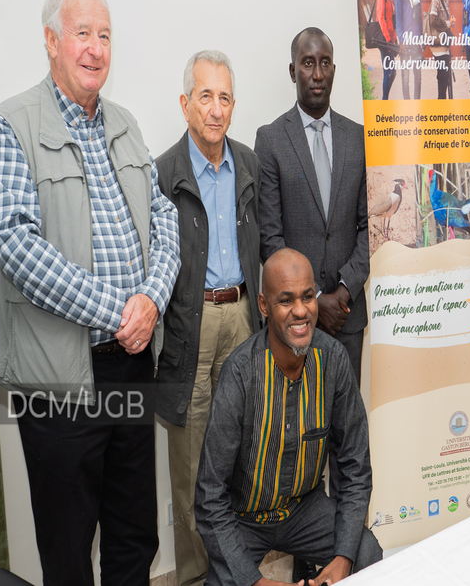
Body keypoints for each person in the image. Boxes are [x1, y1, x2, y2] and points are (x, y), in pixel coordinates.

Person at [0, 0, 180, 584]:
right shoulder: (11, 124)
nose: (95, 49)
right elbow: (17, 245)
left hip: (130, 366)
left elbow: (164, 217)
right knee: (69, 549)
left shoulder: (123, 123)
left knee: (133, 535)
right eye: (82, 35)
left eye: (104, 35)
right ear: (51, 41)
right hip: (60, 380)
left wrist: (150, 297)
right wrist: (116, 309)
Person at [195, 248, 382, 586]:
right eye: (286, 300)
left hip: (304, 511)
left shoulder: (334, 362)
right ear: (265, 306)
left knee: (366, 554)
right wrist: (257, 582)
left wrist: (342, 560)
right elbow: (209, 495)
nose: (301, 311)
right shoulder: (239, 374)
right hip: (244, 518)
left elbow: (355, 468)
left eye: (308, 297)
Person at [156, 50, 263, 586]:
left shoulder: (248, 165)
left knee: (243, 449)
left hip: (244, 316)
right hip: (191, 326)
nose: (216, 109)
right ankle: (198, 576)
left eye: (224, 98)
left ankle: (240, 570)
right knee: (192, 465)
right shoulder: (163, 174)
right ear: (185, 104)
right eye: (205, 96)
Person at [254, 27, 369, 380]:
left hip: (346, 317)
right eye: (307, 63)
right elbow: (269, 237)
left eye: (324, 63)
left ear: (333, 69)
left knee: (344, 424)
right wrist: (314, 299)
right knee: (294, 423)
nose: (317, 74)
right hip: (293, 319)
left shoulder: (359, 139)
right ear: (293, 72)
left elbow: (372, 229)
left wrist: (343, 291)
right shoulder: (271, 140)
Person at [393, 0, 423, 100]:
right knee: (405, 78)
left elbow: (419, 17)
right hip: (405, 40)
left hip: (416, 38)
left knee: (418, 77)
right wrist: (401, 40)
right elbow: (398, 16)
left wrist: (422, 37)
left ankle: (417, 105)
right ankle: (407, 107)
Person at [371, 0, 398, 99]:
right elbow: (381, 18)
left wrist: (395, 39)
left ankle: (385, 99)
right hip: (384, 39)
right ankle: (384, 101)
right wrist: (388, 40)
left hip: (390, 39)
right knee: (389, 71)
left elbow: (392, 20)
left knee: (392, 72)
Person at [428, 0, 456, 99]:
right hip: (437, 44)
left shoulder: (445, 0)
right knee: (442, 74)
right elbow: (433, 20)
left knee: (445, 74)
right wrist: (448, 24)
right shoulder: (435, 0)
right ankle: (441, 102)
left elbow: (444, 18)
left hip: (444, 43)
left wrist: (451, 22)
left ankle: (443, 100)